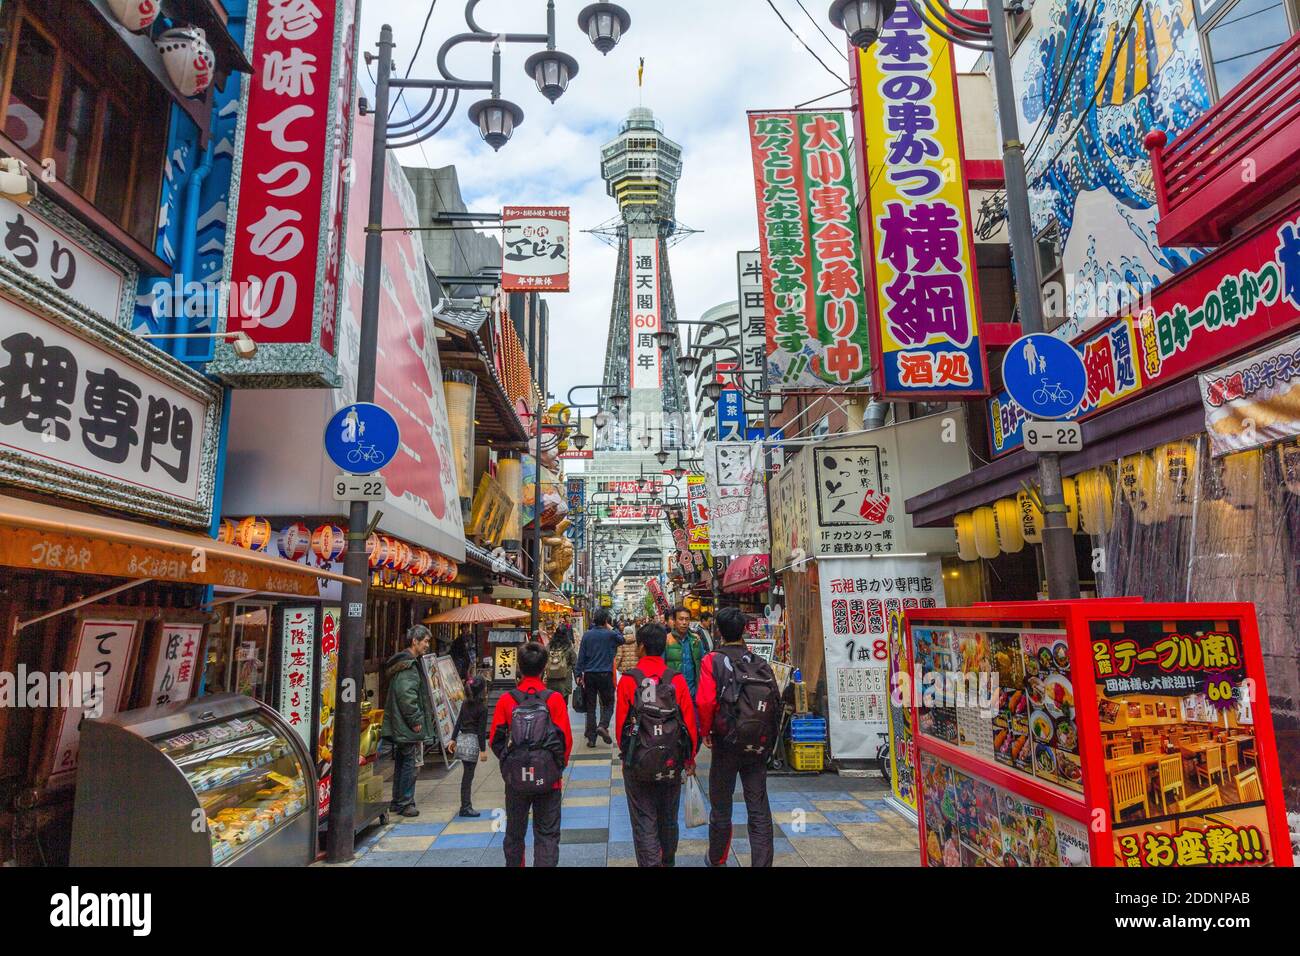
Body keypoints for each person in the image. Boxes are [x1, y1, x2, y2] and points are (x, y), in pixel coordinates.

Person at [695, 607, 781, 867]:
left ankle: (717, 857)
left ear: (718, 631)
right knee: (758, 807)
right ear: (743, 630)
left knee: (721, 805)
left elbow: (705, 701)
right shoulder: (758, 661)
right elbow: (775, 701)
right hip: (757, 743)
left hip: (726, 742)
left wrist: (706, 732)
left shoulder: (712, 660)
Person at [615, 622, 699, 867]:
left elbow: (621, 726)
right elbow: (688, 723)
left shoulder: (629, 681)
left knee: (644, 818)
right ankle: (667, 860)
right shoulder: (677, 680)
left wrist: (628, 753)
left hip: (638, 762)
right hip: (671, 760)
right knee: (668, 816)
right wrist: (689, 758)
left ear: (641, 647)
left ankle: (650, 862)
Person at [489, 642, 573, 867]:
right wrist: (556, 767)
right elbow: (565, 741)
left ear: (519, 667)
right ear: (545, 667)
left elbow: (494, 739)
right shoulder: (553, 699)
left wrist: (509, 761)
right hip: (548, 778)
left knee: (515, 833)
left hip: (516, 778)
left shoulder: (508, 700)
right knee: (547, 834)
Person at [380, 625, 434, 817]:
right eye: (425, 641)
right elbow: (407, 695)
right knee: (409, 762)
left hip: (401, 723)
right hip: (406, 724)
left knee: (403, 761)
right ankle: (405, 802)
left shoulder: (404, 663)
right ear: (415, 641)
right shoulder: (408, 666)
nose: (427, 645)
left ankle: (398, 800)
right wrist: (415, 719)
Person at [574, 608, 623, 747]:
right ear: (606, 620)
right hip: (606, 674)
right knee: (608, 703)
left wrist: (578, 674)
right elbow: (622, 639)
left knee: (590, 707)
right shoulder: (610, 635)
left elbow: (581, 656)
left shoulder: (587, 635)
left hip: (589, 675)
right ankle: (603, 725)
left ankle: (591, 738)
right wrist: (611, 627)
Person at [448, 675, 489, 817]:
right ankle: (465, 806)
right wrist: (483, 750)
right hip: (472, 742)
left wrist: (453, 739)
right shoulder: (482, 708)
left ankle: (465, 805)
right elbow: (481, 731)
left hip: (462, 739)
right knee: (468, 776)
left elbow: (458, 721)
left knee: (466, 774)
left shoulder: (465, 703)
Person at [664, 605, 706, 697]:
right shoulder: (666, 640)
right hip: (673, 695)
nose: (684, 622)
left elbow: (703, 664)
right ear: (674, 621)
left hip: (693, 693)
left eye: (687, 619)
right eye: (681, 619)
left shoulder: (696, 640)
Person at [544, 622, 578, 702]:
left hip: (551, 680)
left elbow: (543, 660)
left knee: (551, 702)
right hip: (565, 680)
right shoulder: (568, 647)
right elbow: (574, 663)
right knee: (563, 703)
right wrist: (577, 677)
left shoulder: (549, 646)